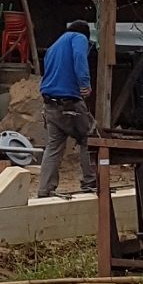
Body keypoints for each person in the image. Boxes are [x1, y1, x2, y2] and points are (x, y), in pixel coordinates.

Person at [37, 20, 98, 198]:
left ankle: (45, 190)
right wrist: (84, 83)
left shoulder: (53, 47)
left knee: (54, 146)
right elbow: (79, 58)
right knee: (90, 138)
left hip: (50, 103)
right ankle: (90, 182)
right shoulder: (79, 37)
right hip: (69, 102)